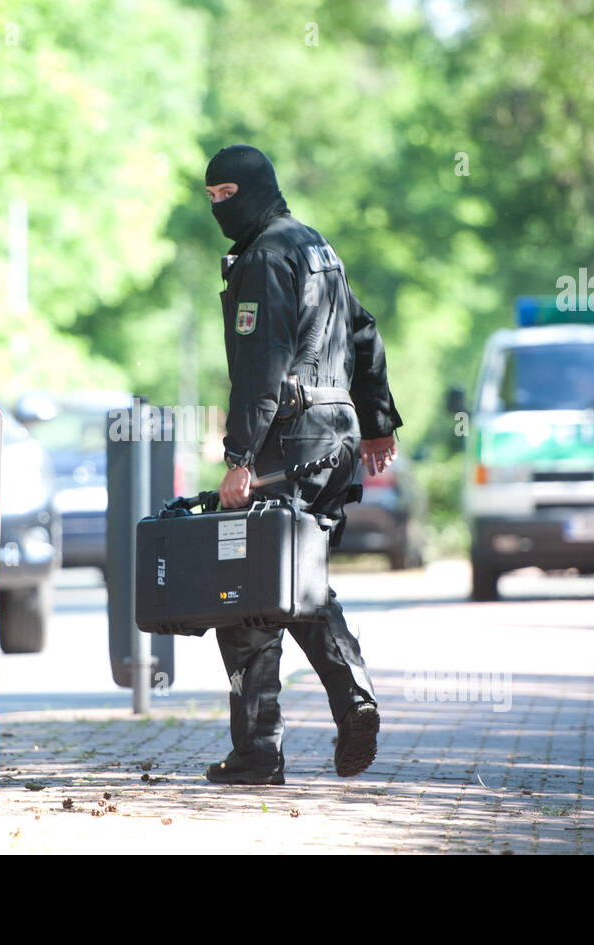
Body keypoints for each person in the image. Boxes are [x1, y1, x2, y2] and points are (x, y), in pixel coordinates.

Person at [204, 144, 402, 785]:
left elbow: (261, 370)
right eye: (210, 200)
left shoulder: (263, 256)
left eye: (228, 196)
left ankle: (259, 752)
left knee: (243, 587)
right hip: (333, 434)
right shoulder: (316, 245)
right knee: (294, 579)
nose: (219, 209)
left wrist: (238, 459)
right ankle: (353, 702)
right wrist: (374, 422)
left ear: (257, 189)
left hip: (286, 442)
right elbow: (364, 331)